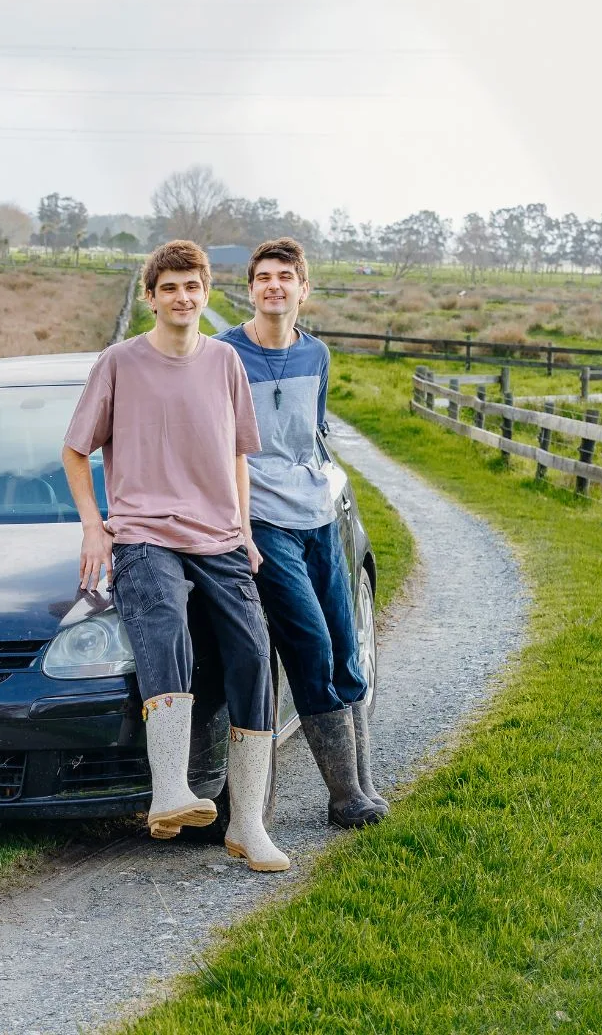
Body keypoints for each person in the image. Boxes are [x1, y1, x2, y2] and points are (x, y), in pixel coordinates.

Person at [60, 239, 289, 872]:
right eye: (170, 288)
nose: (182, 298)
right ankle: (169, 790)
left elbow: (238, 454)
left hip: (219, 536)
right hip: (143, 532)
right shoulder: (118, 363)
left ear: (206, 293)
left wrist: (243, 529)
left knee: (253, 656)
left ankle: (248, 823)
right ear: (151, 298)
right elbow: (75, 450)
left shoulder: (225, 363)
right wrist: (94, 527)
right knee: (163, 624)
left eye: (192, 287)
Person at [216, 237, 388, 828]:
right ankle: (344, 796)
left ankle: (361, 783)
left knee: (343, 643)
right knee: (311, 645)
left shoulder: (317, 354)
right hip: (264, 520)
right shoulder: (224, 355)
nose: (275, 286)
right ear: (250, 289)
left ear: (303, 289)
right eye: (264, 277)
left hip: (317, 517)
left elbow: (314, 433)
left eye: (285, 277)